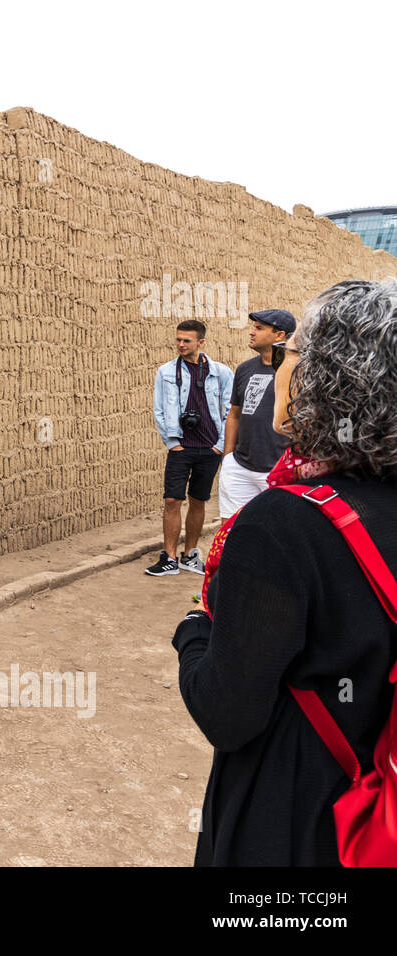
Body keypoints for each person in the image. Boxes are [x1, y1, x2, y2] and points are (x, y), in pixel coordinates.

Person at [172, 277, 397, 865]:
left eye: (294, 353)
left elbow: (228, 712)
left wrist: (195, 631)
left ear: (328, 377)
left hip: (299, 817)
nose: (280, 367)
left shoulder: (283, 525)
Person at [147, 320, 234, 576]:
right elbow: (159, 410)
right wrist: (172, 443)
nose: (180, 345)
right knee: (172, 499)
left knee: (199, 500)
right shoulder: (165, 372)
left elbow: (230, 410)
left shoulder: (221, 372)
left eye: (186, 340)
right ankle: (169, 557)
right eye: (178, 340)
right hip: (181, 447)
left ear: (201, 342)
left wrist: (220, 446)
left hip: (210, 448)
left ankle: (190, 555)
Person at [217, 309, 295, 519]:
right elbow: (234, 415)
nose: (252, 332)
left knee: (276, 531)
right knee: (230, 530)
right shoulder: (245, 369)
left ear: (279, 335)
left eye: (259, 328)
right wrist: (228, 458)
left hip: (278, 469)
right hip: (240, 467)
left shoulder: (296, 371)